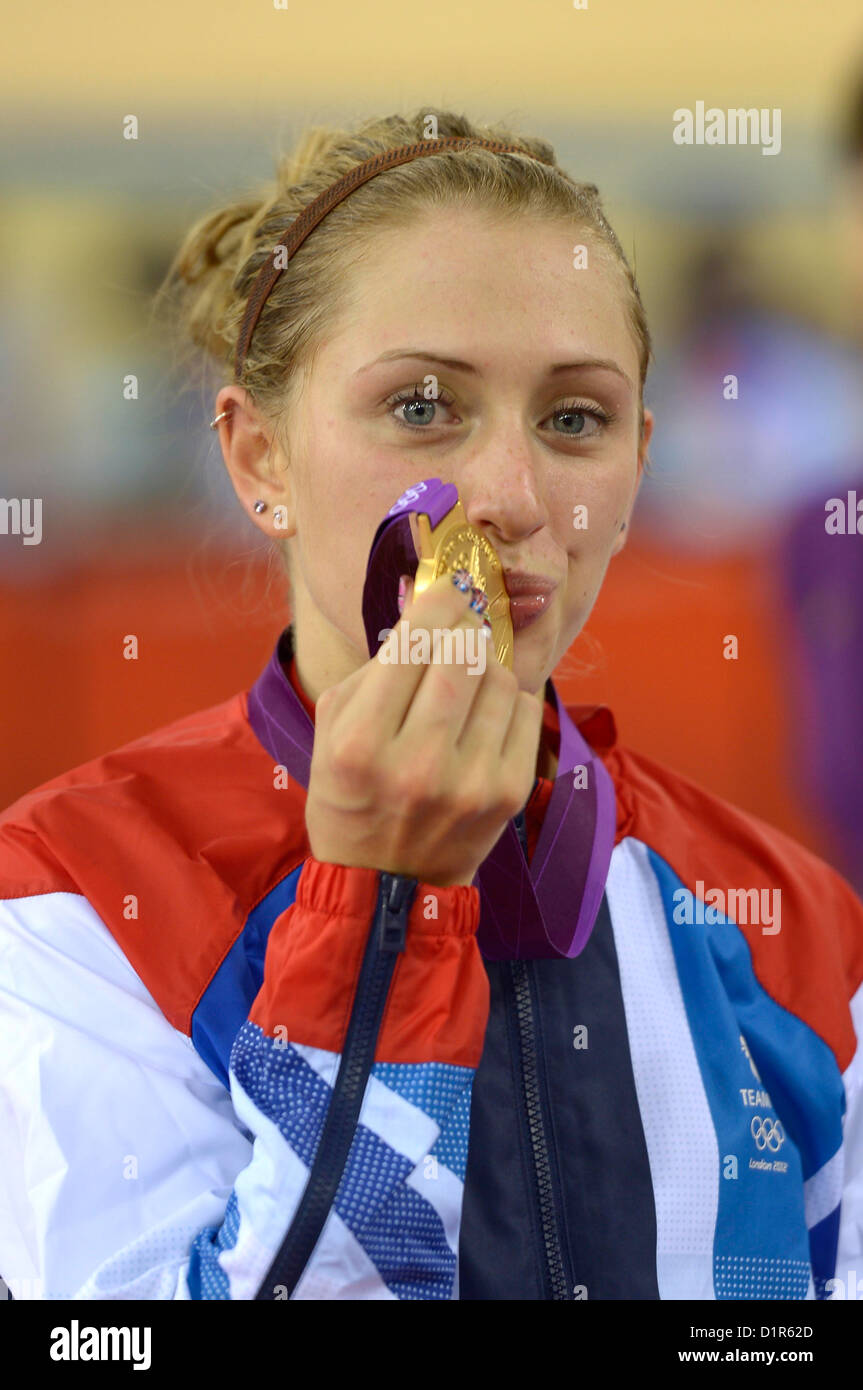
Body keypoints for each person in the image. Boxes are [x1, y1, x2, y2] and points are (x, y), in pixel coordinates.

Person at [0, 109, 861, 1302]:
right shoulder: (77, 894)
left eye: (574, 419)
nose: (511, 497)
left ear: (635, 469)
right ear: (259, 460)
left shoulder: (794, 928)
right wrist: (375, 908)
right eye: (420, 405)